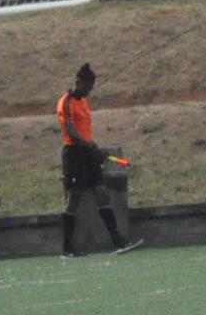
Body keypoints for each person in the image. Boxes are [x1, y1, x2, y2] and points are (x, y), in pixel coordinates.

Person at [54, 64, 142, 257]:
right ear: (79, 82)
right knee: (74, 198)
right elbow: (70, 131)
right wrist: (91, 146)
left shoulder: (84, 103)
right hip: (74, 153)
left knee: (102, 193)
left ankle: (118, 242)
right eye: (87, 87)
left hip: (88, 153)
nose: (89, 91)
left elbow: (85, 132)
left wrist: (95, 149)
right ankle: (67, 248)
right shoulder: (65, 102)